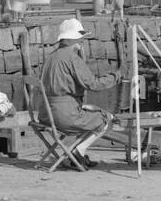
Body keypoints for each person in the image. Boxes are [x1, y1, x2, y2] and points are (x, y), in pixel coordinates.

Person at [38, 18, 119, 169]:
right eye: (81, 37)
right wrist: (115, 77)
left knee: (90, 109)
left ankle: (78, 153)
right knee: (105, 118)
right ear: (74, 39)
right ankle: (78, 151)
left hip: (46, 114)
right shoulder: (72, 58)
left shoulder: (51, 57)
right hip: (63, 116)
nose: (83, 40)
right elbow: (93, 84)